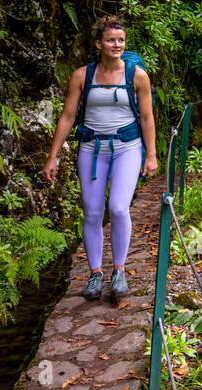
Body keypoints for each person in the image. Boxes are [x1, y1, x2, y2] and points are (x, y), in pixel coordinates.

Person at [43, 15, 157, 303]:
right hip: (92, 149)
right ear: (98, 44)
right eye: (110, 40)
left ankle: (119, 270)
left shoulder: (137, 76)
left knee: (118, 208)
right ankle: (96, 273)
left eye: (120, 40)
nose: (116, 44)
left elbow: (146, 117)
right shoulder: (82, 76)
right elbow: (68, 116)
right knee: (92, 212)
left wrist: (151, 155)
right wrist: (52, 156)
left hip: (127, 148)